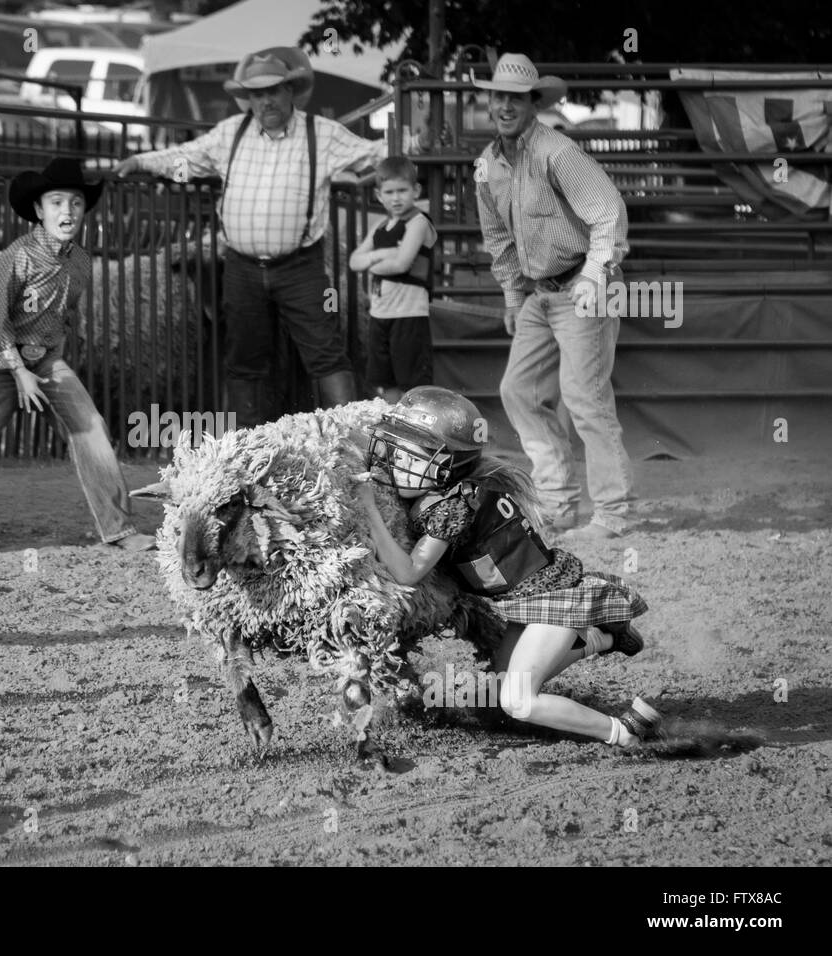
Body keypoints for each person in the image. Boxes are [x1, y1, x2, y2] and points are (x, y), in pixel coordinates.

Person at [353, 386, 661, 748]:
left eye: (410, 457)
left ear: (447, 467)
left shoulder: (453, 506)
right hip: (526, 602)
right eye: (393, 448)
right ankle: (602, 636)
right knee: (502, 688)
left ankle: (623, 732)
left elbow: (408, 573)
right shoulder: (444, 493)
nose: (393, 461)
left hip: (552, 603)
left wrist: (369, 509)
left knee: (518, 702)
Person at [112, 46, 387, 427]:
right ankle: (246, 449)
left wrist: (411, 149)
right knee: (244, 360)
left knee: (325, 352)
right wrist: (141, 161)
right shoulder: (230, 133)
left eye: (273, 90)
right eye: (257, 94)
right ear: (248, 99)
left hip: (302, 268)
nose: (266, 101)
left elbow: (373, 154)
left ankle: (352, 438)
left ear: (290, 90)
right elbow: (186, 158)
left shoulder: (321, 133)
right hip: (240, 267)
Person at [0, 157, 155, 552]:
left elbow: (63, 315)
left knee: (92, 428)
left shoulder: (81, 264)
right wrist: (18, 370)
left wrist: (51, 361)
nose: (66, 212)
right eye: (56, 202)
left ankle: (119, 529)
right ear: (39, 210)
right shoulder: (14, 258)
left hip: (46, 360)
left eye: (75, 203)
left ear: (84, 210)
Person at [473, 53, 635, 541]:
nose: (505, 105)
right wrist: (510, 296)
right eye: (498, 96)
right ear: (491, 101)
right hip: (538, 293)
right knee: (518, 391)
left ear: (532, 103)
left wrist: (594, 276)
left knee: (584, 397)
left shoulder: (556, 152)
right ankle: (559, 503)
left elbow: (608, 212)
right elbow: (498, 238)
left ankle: (612, 512)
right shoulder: (486, 167)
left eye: (515, 98)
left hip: (581, 284)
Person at [347, 156, 436, 403]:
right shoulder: (380, 226)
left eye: (402, 191)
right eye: (389, 192)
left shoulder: (419, 223)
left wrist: (372, 263)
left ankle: (417, 435)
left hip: (409, 315)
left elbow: (402, 263)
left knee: (414, 386)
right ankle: (394, 432)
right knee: (385, 384)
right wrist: (384, 253)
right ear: (378, 195)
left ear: (416, 190)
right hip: (380, 315)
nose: (396, 198)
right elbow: (354, 261)